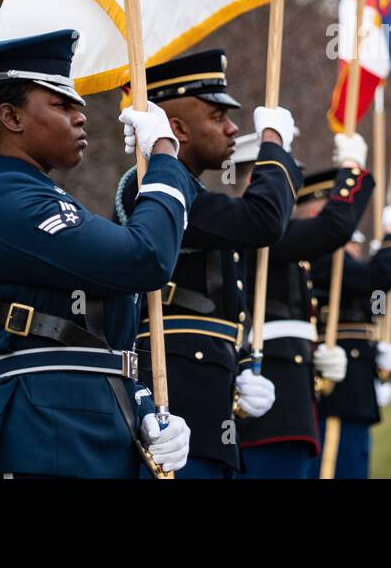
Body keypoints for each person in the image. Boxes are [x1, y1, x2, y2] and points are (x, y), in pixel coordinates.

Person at [0, 29, 194, 478]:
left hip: (85, 431)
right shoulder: (5, 200)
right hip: (44, 434)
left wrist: (142, 404)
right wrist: (166, 155)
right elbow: (146, 258)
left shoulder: (42, 198)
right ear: (11, 117)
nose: (81, 117)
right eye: (62, 104)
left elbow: (101, 336)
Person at [113, 49, 301, 478]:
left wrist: (240, 371)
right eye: (217, 117)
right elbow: (264, 221)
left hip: (207, 411)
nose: (233, 128)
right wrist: (273, 144)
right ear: (176, 128)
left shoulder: (188, 194)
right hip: (174, 410)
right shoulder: (153, 191)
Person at [235, 139, 374, 478]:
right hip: (268, 401)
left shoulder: (273, 233)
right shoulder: (254, 230)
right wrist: (352, 170)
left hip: (292, 398)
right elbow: (332, 229)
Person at [309, 208, 391, 478]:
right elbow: (380, 277)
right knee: (335, 464)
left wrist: (380, 362)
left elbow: (375, 296)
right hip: (341, 388)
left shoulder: (347, 270)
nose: (354, 248)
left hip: (357, 385)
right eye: (352, 242)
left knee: (355, 462)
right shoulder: (327, 261)